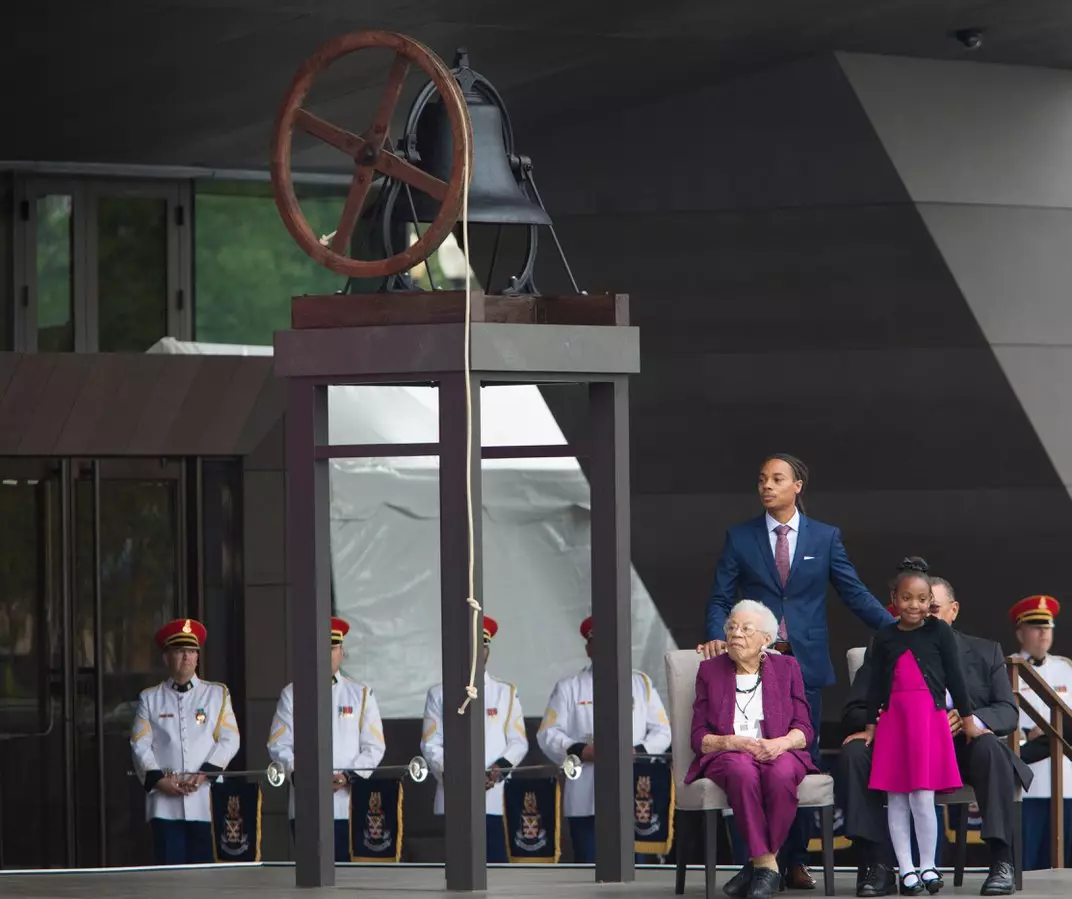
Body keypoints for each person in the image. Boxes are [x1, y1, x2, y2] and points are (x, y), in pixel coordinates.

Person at [699, 453, 894, 888]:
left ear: (797, 486)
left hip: (803, 668)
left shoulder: (825, 538)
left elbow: (854, 592)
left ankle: (795, 860)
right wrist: (717, 634)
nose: (767, 486)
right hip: (751, 666)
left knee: (795, 761)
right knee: (749, 762)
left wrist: (900, 631)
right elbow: (719, 597)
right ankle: (755, 859)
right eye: (762, 479)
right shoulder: (740, 537)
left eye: (777, 479)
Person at [841, 575, 1030, 897]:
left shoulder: (985, 652)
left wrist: (973, 719)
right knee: (855, 753)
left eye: (933, 607)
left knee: (990, 748)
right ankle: (877, 864)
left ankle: (1001, 860)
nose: (923, 613)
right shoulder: (886, 644)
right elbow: (855, 709)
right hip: (899, 741)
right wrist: (885, 720)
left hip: (959, 746)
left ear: (952, 611)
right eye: (914, 603)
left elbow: (1007, 712)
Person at [686, 600, 817, 899]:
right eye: (731, 627)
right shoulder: (710, 671)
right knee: (742, 770)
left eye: (746, 629)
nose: (735, 634)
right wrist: (731, 741)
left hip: (778, 749)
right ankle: (768, 864)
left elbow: (804, 728)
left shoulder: (787, 667)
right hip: (729, 754)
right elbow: (698, 737)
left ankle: (754, 867)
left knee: (782, 773)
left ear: (765, 640)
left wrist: (781, 743)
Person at [862, 559, 975, 894]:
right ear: (894, 600)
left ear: (931, 604)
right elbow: (875, 686)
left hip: (928, 718)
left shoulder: (939, 631)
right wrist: (871, 726)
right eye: (907, 598)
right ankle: (906, 868)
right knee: (896, 798)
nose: (914, 605)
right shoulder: (884, 637)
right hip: (896, 721)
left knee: (924, 797)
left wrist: (968, 721)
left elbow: (955, 676)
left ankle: (929, 865)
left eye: (922, 599)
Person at [537, 615, 672, 863]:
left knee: (636, 866)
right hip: (585, 789)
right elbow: (547, 733)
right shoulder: (569, 687)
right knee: (589, 862)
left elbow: (663, 731)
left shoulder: (640, 683)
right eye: (599, 643)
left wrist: (636, 751)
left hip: (634, 787)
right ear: (589, 648)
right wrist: (580, 749)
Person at [267, 616, 386, 862]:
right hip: (307, 804)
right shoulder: (292, 694)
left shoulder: (361, 694)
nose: (327, 653)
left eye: (332, 647)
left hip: (349, 805)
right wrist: (307, 777)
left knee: (349, 881)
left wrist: (347, 776)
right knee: (310, 877)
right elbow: (279, 745)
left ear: (341, 652)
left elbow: (374, 747)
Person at [130, 618, 241, 865]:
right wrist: (159, 780)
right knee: (170, 878)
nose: (187, 657)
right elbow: (140, 744)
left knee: (206, 878)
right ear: (166, 657)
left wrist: (205, 774)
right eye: (180, 651)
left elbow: (230, 739)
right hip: (164, 804)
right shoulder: (150, 698)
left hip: (206, 801)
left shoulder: (217, 694)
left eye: (192, 651)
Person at [421, 616, 529, 863]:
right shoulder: (439, 694)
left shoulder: (506, 693)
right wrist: (455, 774)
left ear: (487, 651)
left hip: (496, 797)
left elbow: (518, 742)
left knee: (497, 870)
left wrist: (497, 769)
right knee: (457, 868)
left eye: (480, 647)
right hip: (455, 795)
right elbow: (430, 744)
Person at [1009, 594, 1072, 869]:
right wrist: (1026, 733)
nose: (1044, 632)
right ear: (1021, 632)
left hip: (1066, 781)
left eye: (1047, 626)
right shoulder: (1006, 668)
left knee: (1063, 865)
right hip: (1028, 782)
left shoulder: (1066, 669)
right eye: (1036, 626)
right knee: (1027, 863)